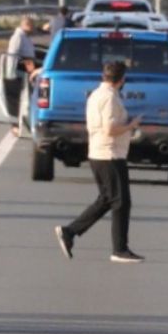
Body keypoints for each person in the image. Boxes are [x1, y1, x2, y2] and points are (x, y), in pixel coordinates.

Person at [55, 59, 144, 264]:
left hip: (98, 152)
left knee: (106, 199)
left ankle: (70, 232)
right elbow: (109, 129)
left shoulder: (96, 94)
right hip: (109, 154)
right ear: (122, 79)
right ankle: (119, 249)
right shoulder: (110, 98)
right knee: (121, 202)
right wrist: (131, 125)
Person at [5, 15, 38, 135]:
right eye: (32, 26)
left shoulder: (25, 37)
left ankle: (24, 124)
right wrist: (10, 73)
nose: (33, 29)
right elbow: (13, 56)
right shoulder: (18, 37)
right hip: (18, 72)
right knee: (18, 100)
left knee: (26, 99)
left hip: (25, 69)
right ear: (27, 25)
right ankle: (16, 125)